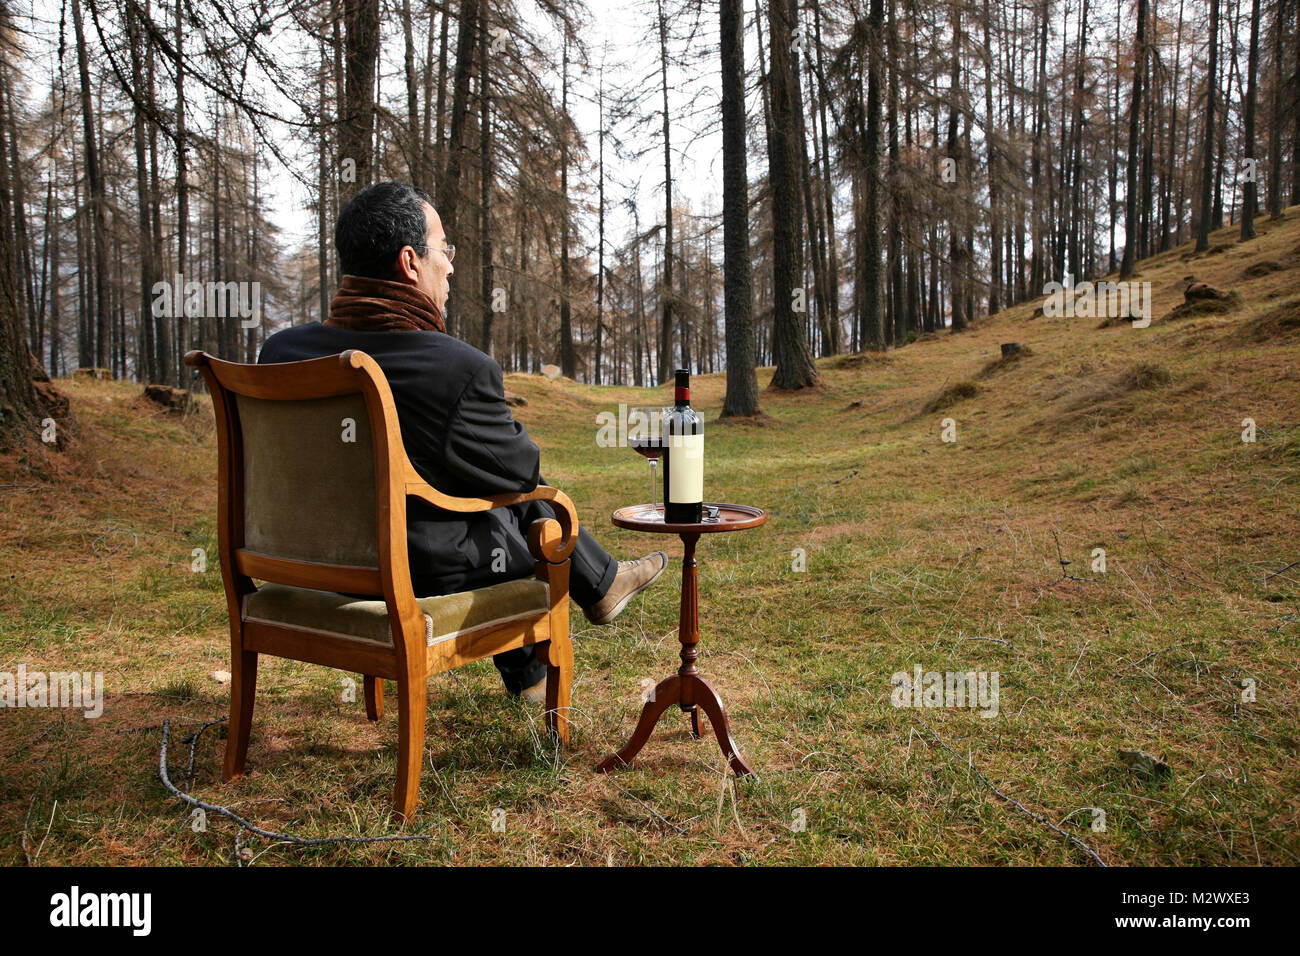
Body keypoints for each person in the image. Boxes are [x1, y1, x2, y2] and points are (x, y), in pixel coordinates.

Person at [258, 180, 666, 700]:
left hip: (300, 565)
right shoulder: (452, 368)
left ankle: (597, 592)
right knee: (508, 515)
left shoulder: (281, 352)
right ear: (410, 262)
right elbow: (522, 471)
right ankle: (564, 637)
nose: (450, 265)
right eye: (444, 250)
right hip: (404, 570)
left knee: (474, 484)